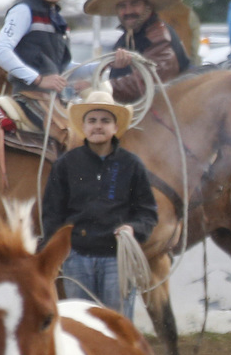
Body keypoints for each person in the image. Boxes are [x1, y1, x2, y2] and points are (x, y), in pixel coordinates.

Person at [40, 90, 158, 319]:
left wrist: (134, 228)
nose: (98, 126)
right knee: (82, 324)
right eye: (92, 121)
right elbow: (52, 214)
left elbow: (147, 212)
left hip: (117, 258)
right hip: (76, 258)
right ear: (83, 127)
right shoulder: (66, 165)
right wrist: (59, 248)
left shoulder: (131, 165)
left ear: (115, 128)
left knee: (117, 325)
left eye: (105, 121)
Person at [0, 0, 102, 127]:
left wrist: (102, 67)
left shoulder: (57, 20)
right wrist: (38, 79)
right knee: (69, 136)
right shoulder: (24, 11)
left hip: (52, 100)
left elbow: (62, 69)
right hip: (29, 98)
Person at [82, 0, 190, 103]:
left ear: (148, 6)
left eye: (135, 4)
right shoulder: (123, 41)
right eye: (122, 6)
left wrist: (104, 87)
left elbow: (151, 80)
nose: (128, 11)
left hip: (165, 117)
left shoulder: (160, 36)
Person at [154, 0, 202, 66]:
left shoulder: (151, 13)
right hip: (184, 71)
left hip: (156, 70)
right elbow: (195, 49)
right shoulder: (189, 14)